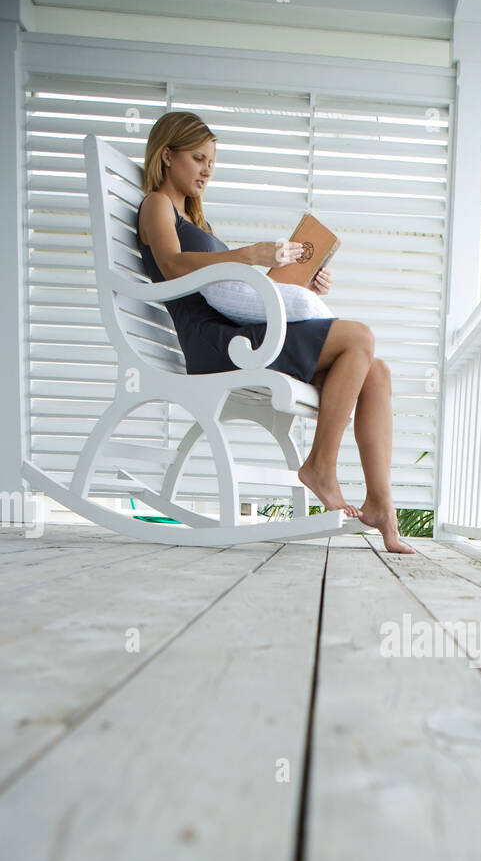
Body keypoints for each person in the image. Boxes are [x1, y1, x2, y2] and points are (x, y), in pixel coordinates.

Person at [135, 111, 414, 553]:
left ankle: (381, 503)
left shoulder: (198, 221)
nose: (207, 169)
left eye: (211, 161)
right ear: (167, 156)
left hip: (239, 330)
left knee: (375, 371)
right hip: (217, 343)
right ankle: (320, 467)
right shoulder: (157, 205)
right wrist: (248, 255)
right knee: (359, 336)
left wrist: (301, 277)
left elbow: (236, 294)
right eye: (197, 158)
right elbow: (171, 265)